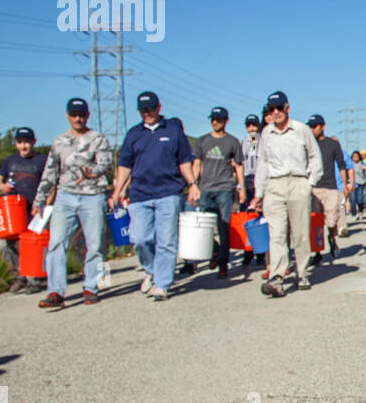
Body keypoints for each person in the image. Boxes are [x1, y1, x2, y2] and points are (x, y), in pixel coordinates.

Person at [110, 91, 199, 301]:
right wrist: (117, 191)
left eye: (150, 109)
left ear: (159, 108)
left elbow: (184, 161)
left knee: (166, 240)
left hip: (168, 193)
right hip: (140, 195)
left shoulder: (173, 130)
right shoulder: (133, 134)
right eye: (143, 110)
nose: (147, 113)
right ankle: (152, 270)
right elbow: (125, 166)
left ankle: (162, 284)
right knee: (140, 238)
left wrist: (192, 184)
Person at [31, 98, 112, 308]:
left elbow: (105, 164)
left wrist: (90, 172)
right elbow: (50, 173)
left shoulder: (98, 139)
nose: (78, 118)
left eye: (82, 114)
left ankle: (90, 288)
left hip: (92, 196)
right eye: (74, 114)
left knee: (94, 244)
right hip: (65, 196)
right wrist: (40, 200)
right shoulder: (59, 142)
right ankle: (55, 291)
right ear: (67, 115)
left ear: (88, 115)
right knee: (56, 243)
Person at [249, 91, 321, 297]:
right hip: (274, 185)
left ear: (287, 108)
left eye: (279, 108)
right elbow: (262, 163)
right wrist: (259, 193)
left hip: (298, 182)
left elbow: (315, 157)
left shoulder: (301, 130)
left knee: (300, 233)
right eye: (272, 109)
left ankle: (302, 272)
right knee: (277, 233)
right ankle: (278, 277)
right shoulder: (266, 134)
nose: (276, 112)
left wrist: (309, 182)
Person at [0, 126, 48, 294]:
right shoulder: (9, 161)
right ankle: (20, 275)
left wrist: (47, 203)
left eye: (27, 142)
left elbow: (52, 182)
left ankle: (36, 279)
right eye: (20, 142)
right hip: (14, 212)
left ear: (34, 142)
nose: (23, 146)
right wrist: (2, 186)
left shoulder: (43, 160)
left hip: (37, 210)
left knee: (33, 245)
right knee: (3, 243)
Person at [193, 107, 245, 278]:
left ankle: (223, 264)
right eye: (213, 119)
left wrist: (241, 188)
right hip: (206, 189)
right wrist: (193, 185)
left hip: (225, 189)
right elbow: (197, 163)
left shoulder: (232, 141)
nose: (215, 122)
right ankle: (214, 250)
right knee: (205, 229)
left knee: (223, 227)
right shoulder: (202, 141)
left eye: (219, 119)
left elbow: (238, 166)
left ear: (226, 121)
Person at [306, 114, 347, 266]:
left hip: (330, 188)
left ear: (322, 126)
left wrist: (345, 185)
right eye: (310, 127)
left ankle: (332, 239)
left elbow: (341, 165)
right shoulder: (308, 145)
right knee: (316, 221)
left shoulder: (333, 144)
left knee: (331, 221)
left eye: (314, 126)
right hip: (314, 188)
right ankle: (317, 252)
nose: (312, 130)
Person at [240, 114, 264, 267]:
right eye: (249, 126)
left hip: (259, 180)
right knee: (247, 216)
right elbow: (240, 163)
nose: (252, 129)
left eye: (254, 125)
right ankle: (247, 251)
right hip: (246, 179)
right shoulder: (243, 142)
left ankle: (261, 252)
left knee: (260, 216)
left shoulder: (262, 141)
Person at [349, 150, 366, 218]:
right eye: (354, 157)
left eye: (356, 156)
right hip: (353, 184)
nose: (355, 158)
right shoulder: (350, 164)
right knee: (353, 200)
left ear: (359, 157)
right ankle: (354, 214)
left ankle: (360, 211)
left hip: (360, 184)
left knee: (360, 200)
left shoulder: (362, 163)